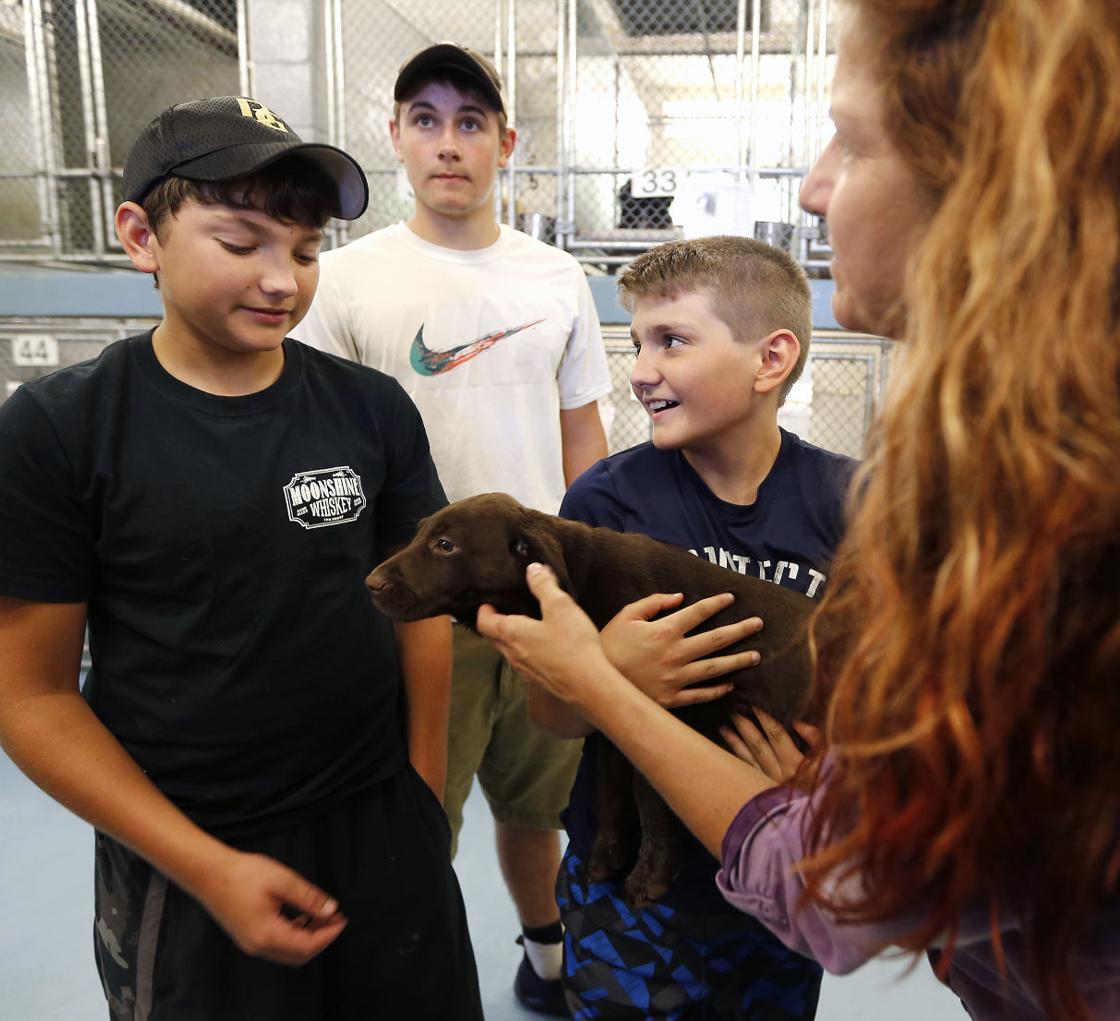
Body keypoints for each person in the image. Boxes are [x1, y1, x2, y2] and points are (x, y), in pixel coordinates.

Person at [477, 1, 1120, 1018]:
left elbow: (840, 891)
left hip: (773, 908)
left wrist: (820, 784)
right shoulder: (611, 500)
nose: (816, 188)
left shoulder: (878, 501)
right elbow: (559, 698)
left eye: (852, 142)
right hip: (636, 883)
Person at [0, 96, 483, 1020]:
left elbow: (417, 613)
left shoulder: (371, 409)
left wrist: (424, 802)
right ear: (141, 237)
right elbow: (30, 696)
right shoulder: (61, 430)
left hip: (382, 826)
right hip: (190, 849)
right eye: (242, 244)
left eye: (306, 251)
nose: (283, 279)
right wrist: (203, 866)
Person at [296, 43, 611, 1015]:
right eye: (424, 119)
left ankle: (549, 958)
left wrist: (585, 588)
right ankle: (404, 978)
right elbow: (316, 451)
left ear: (505, 144)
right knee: (409, 817)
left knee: (540, 808)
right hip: (412, 614)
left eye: (470, 121)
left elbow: (584, 437)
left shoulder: (557, 277)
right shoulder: (344, 283)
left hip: (536, 607)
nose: (448, 143)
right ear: (394, 136)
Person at [529, 235, 856, 1019]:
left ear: (769, 359)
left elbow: (875, 696)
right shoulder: (605, 505)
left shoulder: (849, 503)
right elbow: (549, 712)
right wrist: (607, 672)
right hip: (631, 885)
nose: (642, 369)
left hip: (778, 876)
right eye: (637, 341)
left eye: (672, 340)